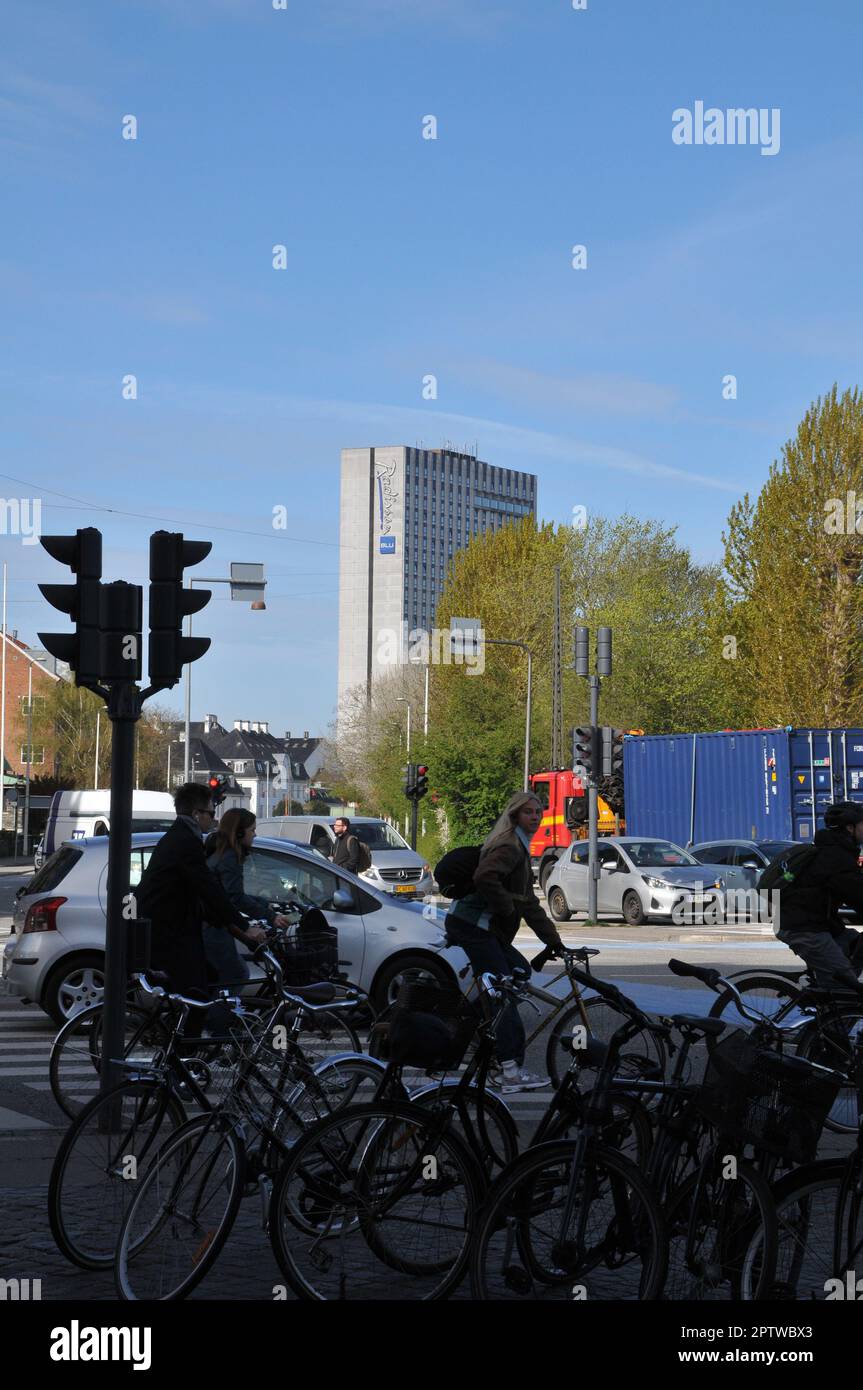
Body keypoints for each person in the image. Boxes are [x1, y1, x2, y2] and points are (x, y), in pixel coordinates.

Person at [445, 790, 567, 1093]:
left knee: (520, 973)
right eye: (528, 812)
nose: (536, 817)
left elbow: (530, 904)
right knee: (504, 991)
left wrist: (554, 941)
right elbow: (487, 876)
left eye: (538, 812)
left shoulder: (520, 846)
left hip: (478, 927)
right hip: (473, 925)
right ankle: (510, 1069)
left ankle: (471, 1031)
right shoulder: (511, 845)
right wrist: (505, 908)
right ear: (515, 816)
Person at [135, 783, 267, 1034]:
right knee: (198, 996)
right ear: (197, 814)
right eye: (211, 812)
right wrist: (244, 927)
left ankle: (182, 1041)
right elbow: (209, 889)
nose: (214, 818)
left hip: (168, 928)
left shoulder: (181, 837)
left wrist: (233, 926)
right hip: (169, 932)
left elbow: (201, 894)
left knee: (208, 978)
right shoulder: (186, 841)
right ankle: (186, 1055)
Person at [775, 800, 863, 989]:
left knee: (854, 945)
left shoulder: (834, 851)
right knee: (845, 984)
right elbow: (857, 894)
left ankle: (828, 1001)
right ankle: (833, 1009)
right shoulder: (836, 857)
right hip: (804, 928)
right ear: (850, 828)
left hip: (817, 923)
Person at [204, 809, 293, 984]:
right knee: (237, 975)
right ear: (238, 832)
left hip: (211, 924)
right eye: (252, 830)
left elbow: (232, 893)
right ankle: (218, 1012)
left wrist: (263, 903)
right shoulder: (229, 857)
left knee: (221, 978)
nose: (255, 834)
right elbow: (235, 898)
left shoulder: (221, 853)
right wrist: (271, 917)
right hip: (212, 927)